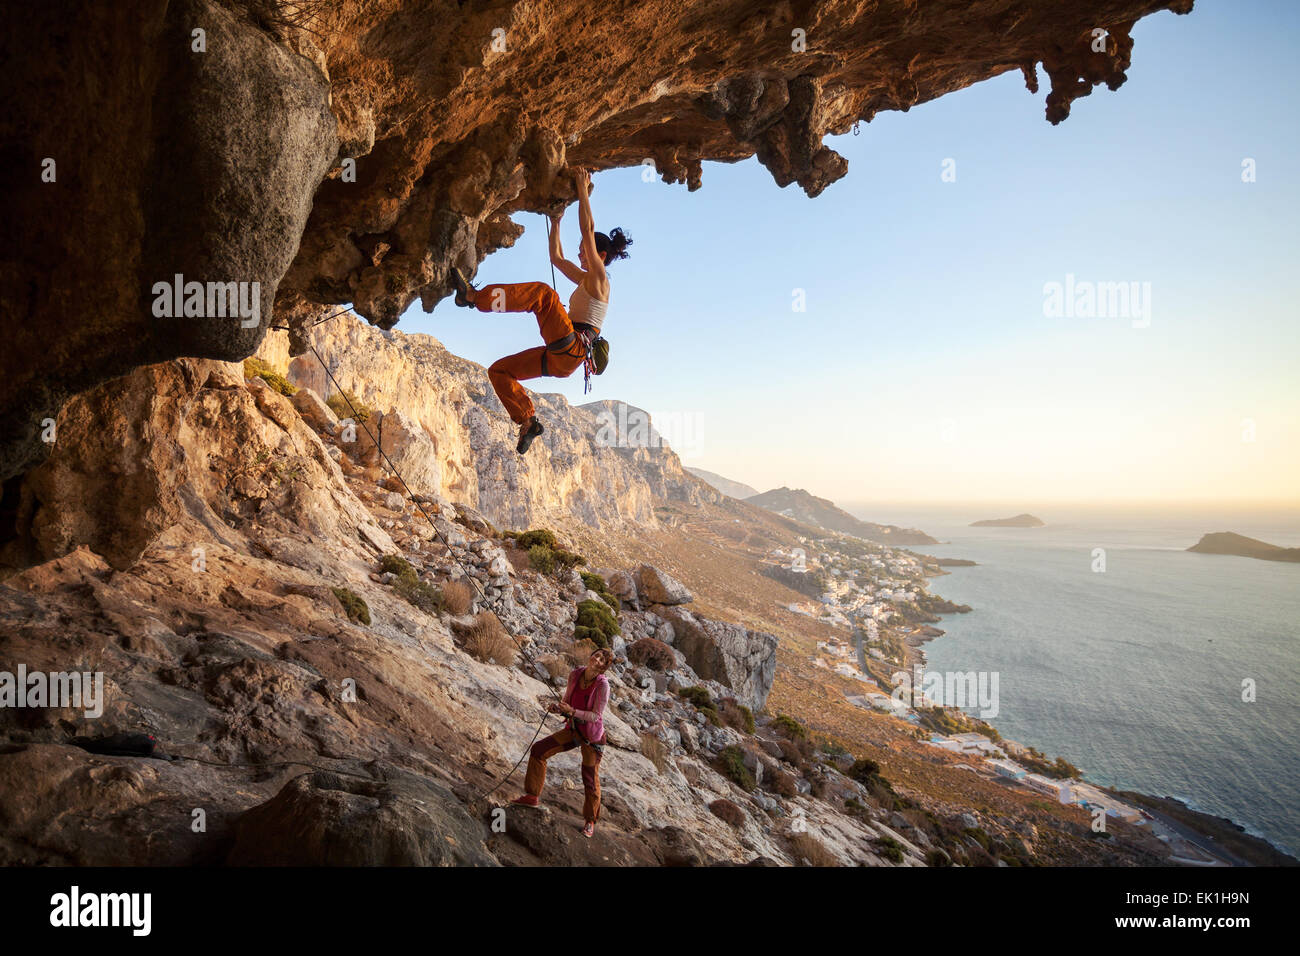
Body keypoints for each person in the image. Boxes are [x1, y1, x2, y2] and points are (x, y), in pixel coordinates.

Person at [448, 167, 631, 454]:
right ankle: (528, 420)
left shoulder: (599, 279)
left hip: (571, 348)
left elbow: (587, 227)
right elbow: (557, 258)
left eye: (584, 250)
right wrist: (556, 222)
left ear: (601, 256)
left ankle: (473, 296)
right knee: (499, 371)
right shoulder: (586, 280)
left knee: (543, 295)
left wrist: (583, 188)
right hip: (563, 359)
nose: (581, 253)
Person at [512, 647, 613, 837]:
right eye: (596, 655)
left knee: (589, 777)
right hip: (574, 730)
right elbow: (567, 701)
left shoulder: (602, 685)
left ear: (604, 667)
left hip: (592, 737)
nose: (597, 660)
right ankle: (532, 796)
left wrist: (573, 712)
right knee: (539, 750)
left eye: (602, 660)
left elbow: (595, 716)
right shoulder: (576, 674)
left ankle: (590, 820)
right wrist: (559, 708)